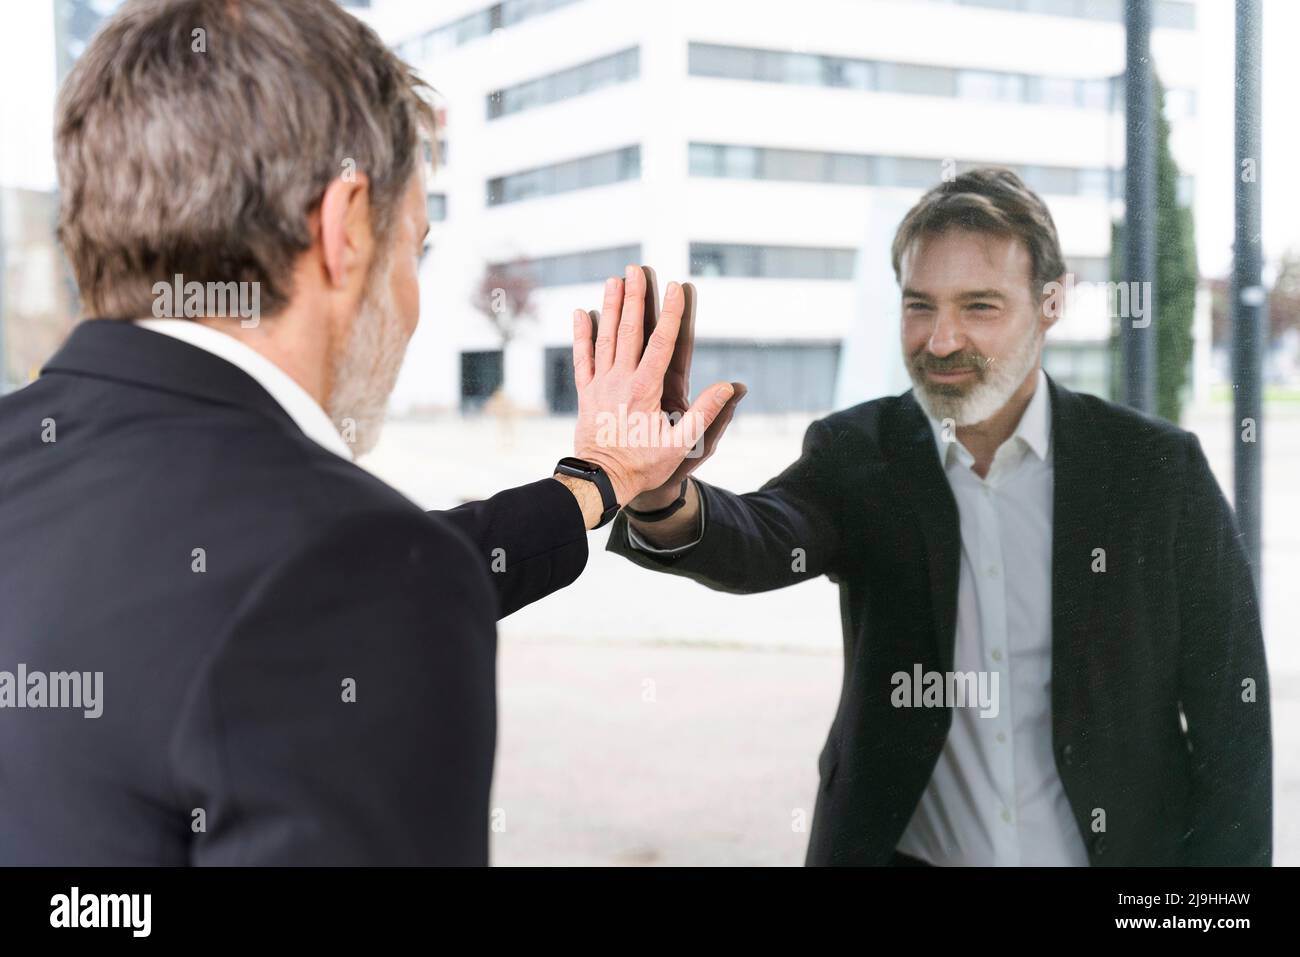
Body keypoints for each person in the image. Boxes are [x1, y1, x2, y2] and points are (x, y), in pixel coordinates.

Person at [0, 0, 739, 865]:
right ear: (343, 230)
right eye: (414, 246)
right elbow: (333, 587)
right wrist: (402, 574)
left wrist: (597, 479)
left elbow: (260, 593)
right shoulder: (357, 572)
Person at [608, 168, 1272, 867]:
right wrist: (661, 496)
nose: (942, 339)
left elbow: (1235, 727)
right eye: (919, 305)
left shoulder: (1157, 470)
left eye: (980, 306)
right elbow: (763, 537)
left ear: (1052, 302)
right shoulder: (858, 452)